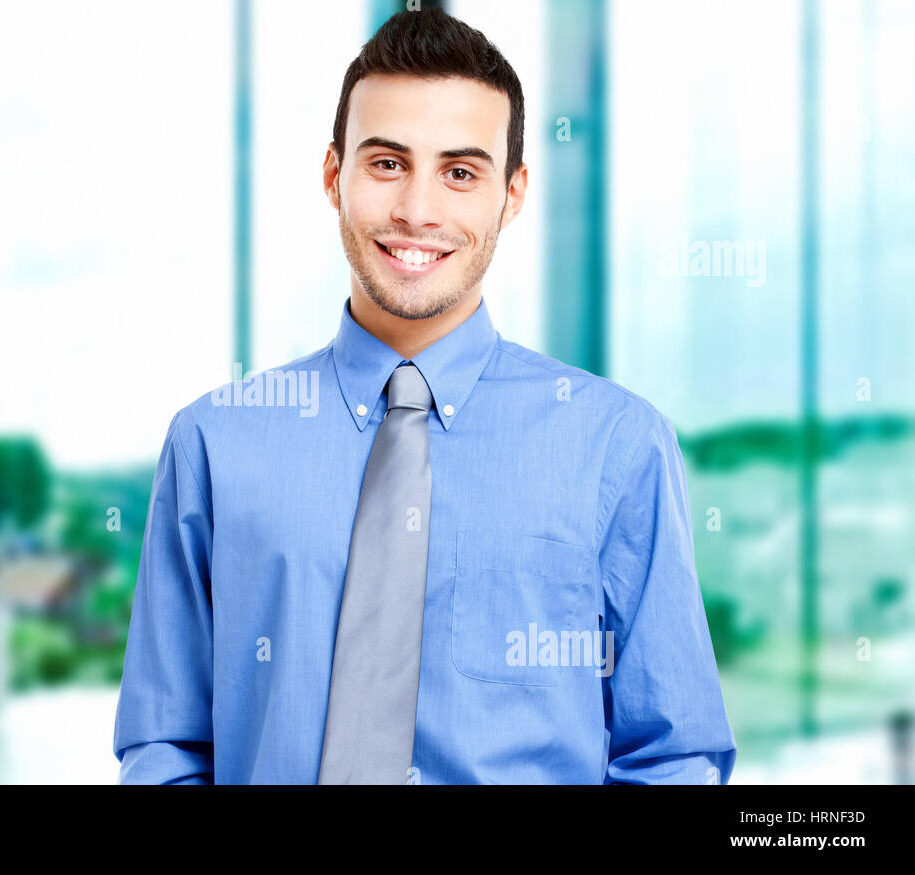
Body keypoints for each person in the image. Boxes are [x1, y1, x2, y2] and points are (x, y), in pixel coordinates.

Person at [112, 7, 736, 784]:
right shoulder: (213, 442)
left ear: (512, 195)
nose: (417, 210)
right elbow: (168, 745)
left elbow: (672, 755)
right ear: (334, 175)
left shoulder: (619, 444)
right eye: (387, 163)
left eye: (460, 172)